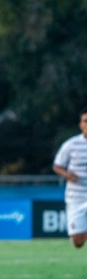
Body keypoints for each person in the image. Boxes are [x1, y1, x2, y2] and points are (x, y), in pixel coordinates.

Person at [52, 106, 87, 248]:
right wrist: (67, 175)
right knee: (78, 242)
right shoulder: (71, 145)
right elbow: (57, 165)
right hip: (76, 196)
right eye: (85, 120)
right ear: (80, 124)